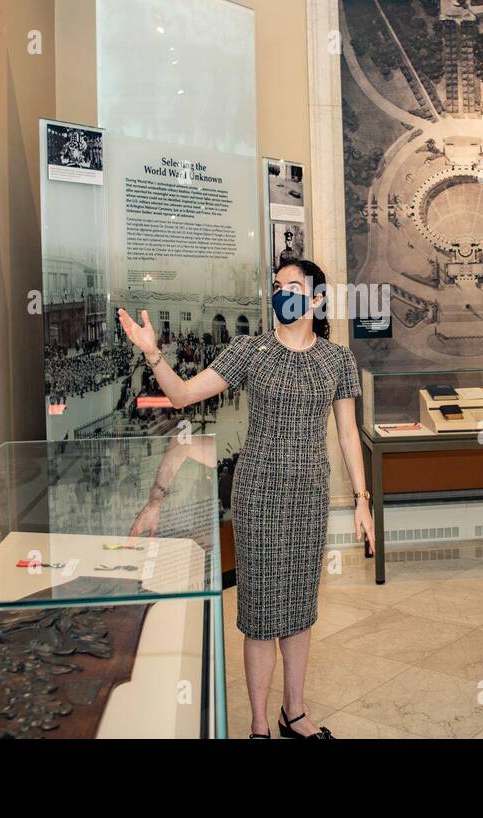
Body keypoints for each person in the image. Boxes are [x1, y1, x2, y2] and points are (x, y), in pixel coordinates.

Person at [117, 257, 374, 739]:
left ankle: (293, 714)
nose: (282, 293)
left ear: (316, 298)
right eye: (277, 286)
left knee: (299, 610)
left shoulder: (338, 359)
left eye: (293, 286)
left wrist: (362, 500)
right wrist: (153, 354)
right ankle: (259, 725)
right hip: (257, 497)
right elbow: (183, 396)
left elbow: (346, 435)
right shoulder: (250, 351)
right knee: (258, 614)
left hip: (308, 499)